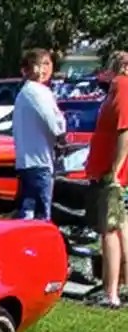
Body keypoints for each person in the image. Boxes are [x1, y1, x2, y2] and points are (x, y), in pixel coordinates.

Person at [84, 51, 128, 308]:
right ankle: (118, 287)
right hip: (111, 174)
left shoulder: (122, 87)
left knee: (109, 231)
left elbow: (125, 131)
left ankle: (110, 293)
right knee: (120, 229)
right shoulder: (115, 90)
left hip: (113, 177)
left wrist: (114, 170)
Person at [12, 48, 67, 221]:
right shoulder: (37, 91)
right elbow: (53, 120)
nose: (46, 69)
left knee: (27, 212)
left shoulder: (24, 93)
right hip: (40, 162)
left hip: (26, 162)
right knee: (42, 215)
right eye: (44, 64)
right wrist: (61, 135)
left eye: (48, 64)